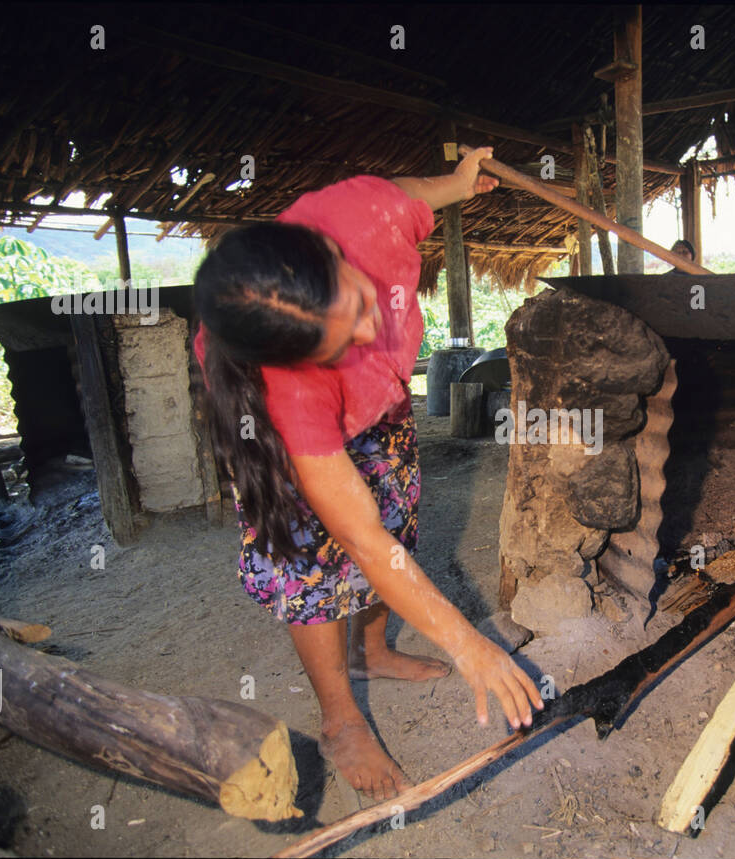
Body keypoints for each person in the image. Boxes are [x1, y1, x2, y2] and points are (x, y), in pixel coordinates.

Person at [192, 147, 543, 802]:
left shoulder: (359, 215)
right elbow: (362, 542)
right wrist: (468, 645)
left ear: (333, 258)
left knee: (397, 511)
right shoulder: (284, 391)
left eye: (357, 299)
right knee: (311, 562)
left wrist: (459, 183)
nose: (372, 325)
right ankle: (341, 718)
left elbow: (401, 189)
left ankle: (372, 649)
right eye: (343, 339)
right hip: (303, 425)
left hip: (373, 404)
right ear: (299, 359)